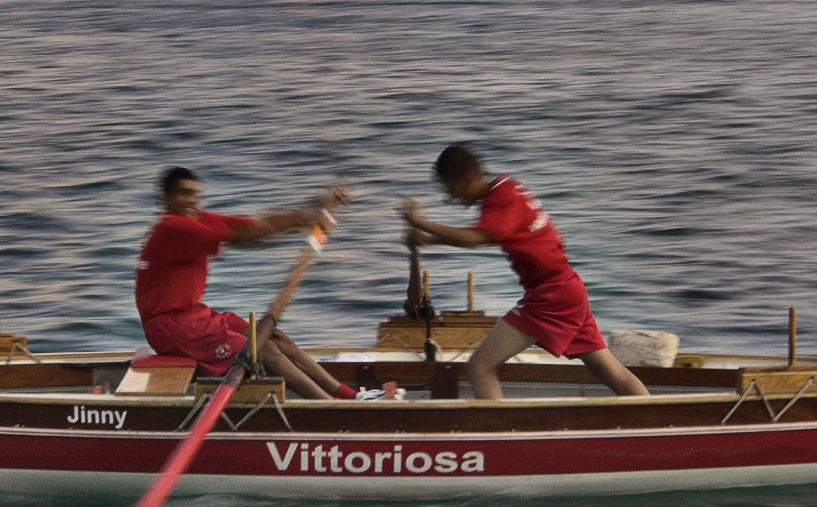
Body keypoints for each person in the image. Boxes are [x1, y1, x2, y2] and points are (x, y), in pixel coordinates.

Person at [399, 144, 649, 401]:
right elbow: (486, 237)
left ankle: (500, 438)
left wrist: (419, 222)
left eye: (450, 190)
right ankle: (653, 416)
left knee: (480, 367)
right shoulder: (505, 189)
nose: (451, 199)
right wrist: (429, 241)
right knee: (605, 367)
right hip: (567, 289)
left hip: (550, 296)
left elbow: (476, 238)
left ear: (466, 179)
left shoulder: (501, 197)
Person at [136, 167, 388, 400]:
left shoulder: (195, 219)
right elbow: (245, 236)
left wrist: (314, 209)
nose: (191, 200)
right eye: (183, 194)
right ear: (165, 198)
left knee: (275, 337)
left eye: (194, 194)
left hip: (194, 315)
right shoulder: (172, 227)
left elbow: (255, 226)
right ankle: (332, 408)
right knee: (262, 350)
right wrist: (300, 220)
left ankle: (350, 396)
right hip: (171, 327)